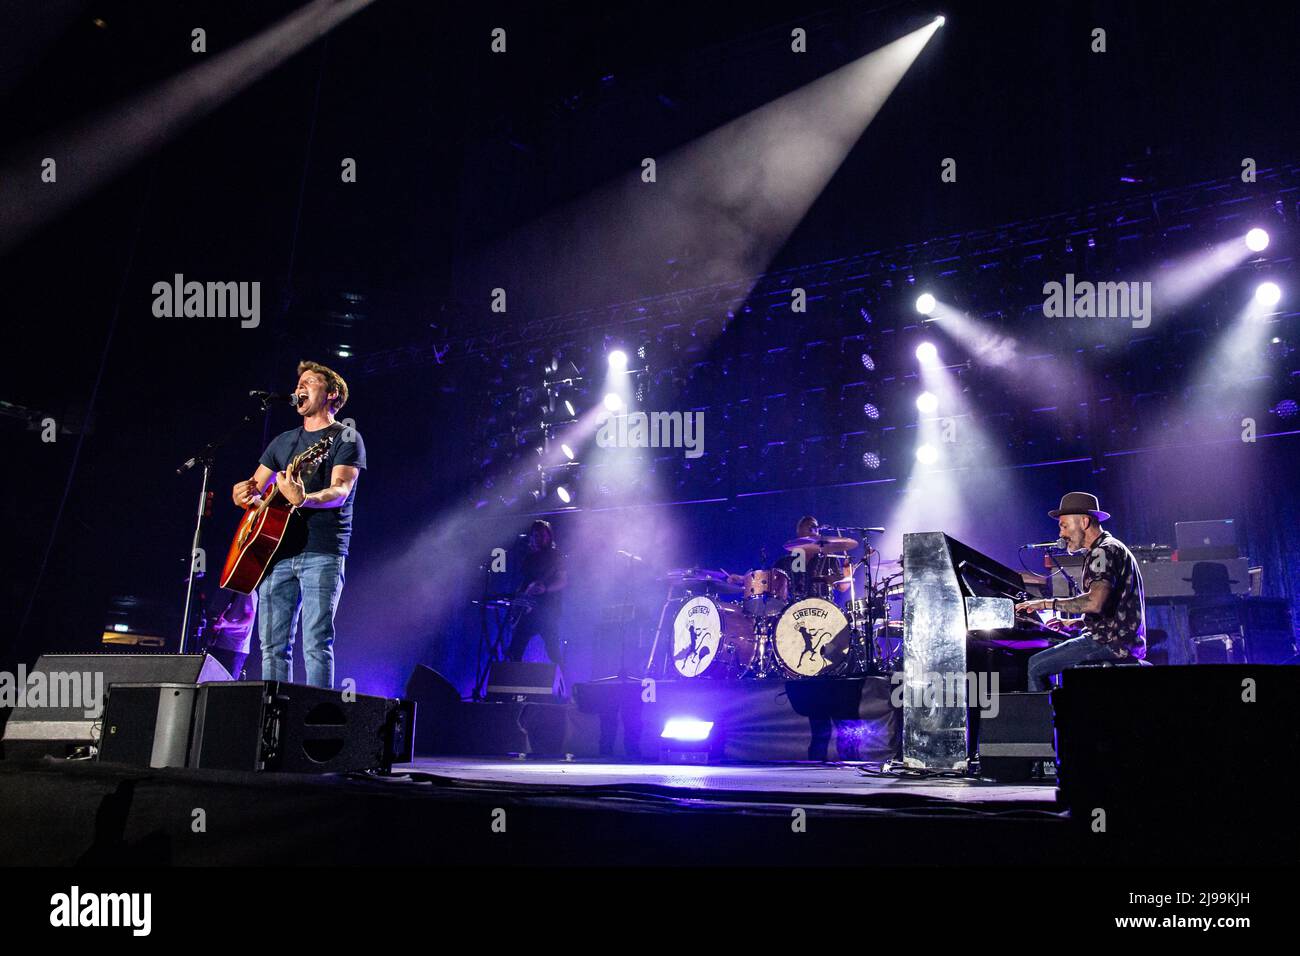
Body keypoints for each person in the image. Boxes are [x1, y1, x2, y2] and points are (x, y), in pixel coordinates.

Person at [231, 360, 366, 688]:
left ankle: (316, 720)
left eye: (309, 382)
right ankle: (274, 719)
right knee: (273, 646)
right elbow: (256, 488)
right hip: (274, 553)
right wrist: (244, 494)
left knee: (316, 644)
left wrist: (303, 499)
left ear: (332, 394)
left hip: (321, 550)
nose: (298, 389)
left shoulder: (344, 437)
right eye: (297, 384)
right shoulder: (282, 442)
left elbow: (340, 491)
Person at [1015, 492, 1146, 691]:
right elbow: (1111, 608)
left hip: (1111, 644)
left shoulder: (1102, 552)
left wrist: (1044, 603)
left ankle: (1048, 722)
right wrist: (1074, 622)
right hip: (1118, 640)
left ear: (1084, 522)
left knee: (1035, 666)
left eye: (1064, 525)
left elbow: (1095, 602)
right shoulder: (1107, 549)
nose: (1061, 534)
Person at [508, 520, 568, 667]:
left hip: (548, 611)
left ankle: (563, 685)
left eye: (542, 534)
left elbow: (562, 581)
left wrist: (546, 588)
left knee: (553, 651)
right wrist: (517, 602)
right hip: (527, 611)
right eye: (535, 535)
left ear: (549, 536)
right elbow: (524, 583)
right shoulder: (529, 558)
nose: (538, 538)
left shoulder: (556, 556)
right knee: (515, 650)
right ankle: (513, 684)